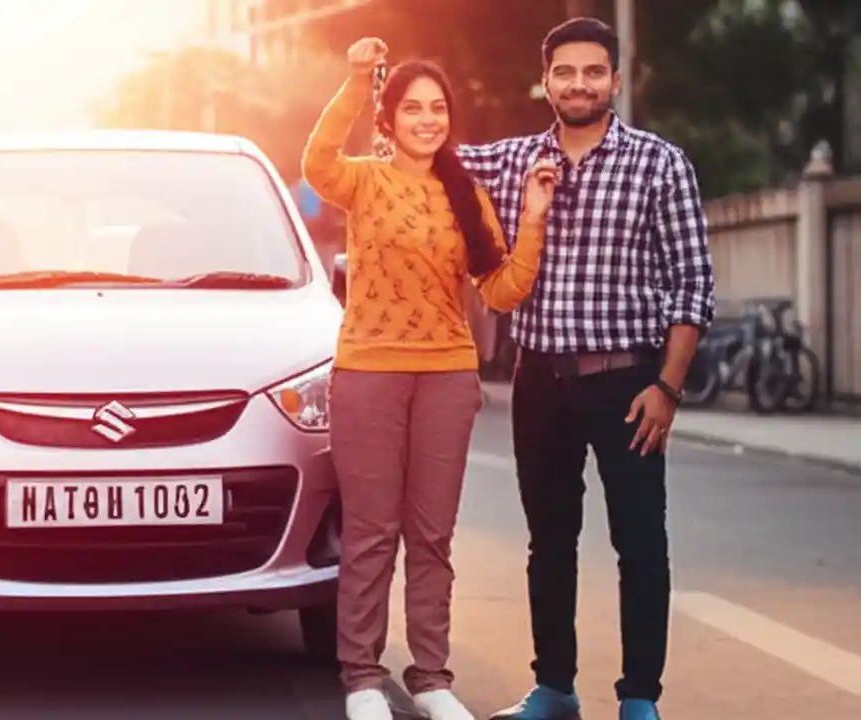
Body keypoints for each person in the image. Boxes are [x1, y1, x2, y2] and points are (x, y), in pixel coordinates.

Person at [455, 18, 716, 720]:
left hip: (630, 383)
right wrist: (376, 84)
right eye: (565, 72)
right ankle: (554, 689)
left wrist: (667, 387)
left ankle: (640, 699)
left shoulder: (660, 165)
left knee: (641, 542)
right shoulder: (512, 160)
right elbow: (423, 153)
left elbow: (693, 284)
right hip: (540, 380)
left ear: (616, 80)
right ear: (546, 82)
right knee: (549, 541)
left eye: (593, 71)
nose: (579, 84)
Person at [302, 37, 558, 720]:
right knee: (370, 533)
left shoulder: (466, 194)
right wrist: (358, 79)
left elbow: (501, 290)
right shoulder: (363, 180)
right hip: (368, 374)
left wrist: (533, 218)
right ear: (388, 119)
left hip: (446, 376)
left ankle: (431, 679)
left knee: (431, 537)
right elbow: (316, 162)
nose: (426, 119)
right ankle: (362, 677)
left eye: (437, 108)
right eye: (411, 108)